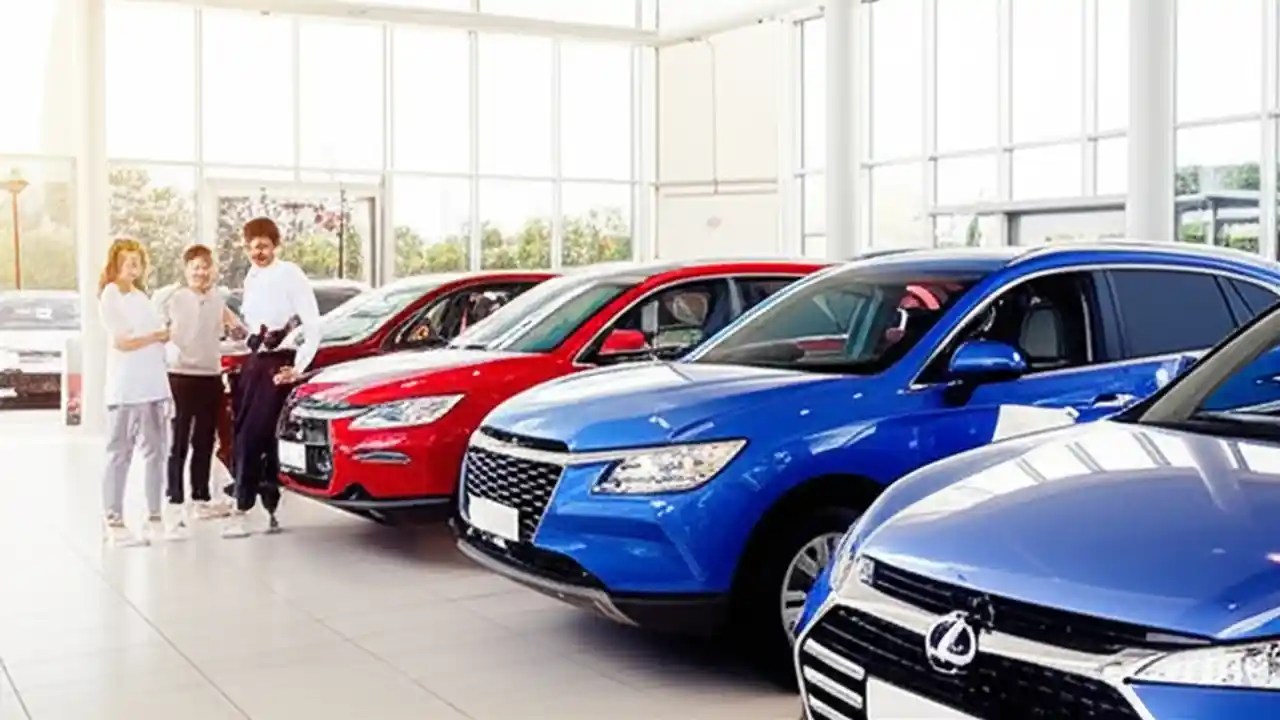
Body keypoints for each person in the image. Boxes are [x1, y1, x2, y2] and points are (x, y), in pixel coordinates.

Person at [224, 217, 321, 539]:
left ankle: (242, 506)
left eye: (264, 246)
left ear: (275, 245)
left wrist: (299, 367)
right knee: (245, 430)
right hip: (255, 361)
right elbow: (254, 321)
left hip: (278, 363)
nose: (258, 252)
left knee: (256, 434)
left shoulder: (289, 274)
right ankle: (265, 501)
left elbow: (313, 324)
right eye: (252, 247)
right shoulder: (252, 276)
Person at [157, 244, 242, 534]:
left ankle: (200, 498)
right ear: (186, 269)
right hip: (180, 375)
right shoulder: (176, 298)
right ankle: (174, 498)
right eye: (195, 266)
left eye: (206, 266)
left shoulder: (217, 300)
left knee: (205, 440)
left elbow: (237, 327)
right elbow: (161, 329)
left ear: (213, 270)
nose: (201, 272)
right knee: (178, 440)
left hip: (210, 375)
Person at [98, 237, 172, 546]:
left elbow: (153, 338)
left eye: (137, 262)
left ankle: (154, 514)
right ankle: (113, 518)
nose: (133, 266)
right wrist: (155, 335)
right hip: (126, 389)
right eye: (127, 261)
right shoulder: (111, 295)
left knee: (156, 452)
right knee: (120, 452)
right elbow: (122, 342)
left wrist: (158, 337)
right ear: (115, 264)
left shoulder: (141, 296)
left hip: (152, 386)